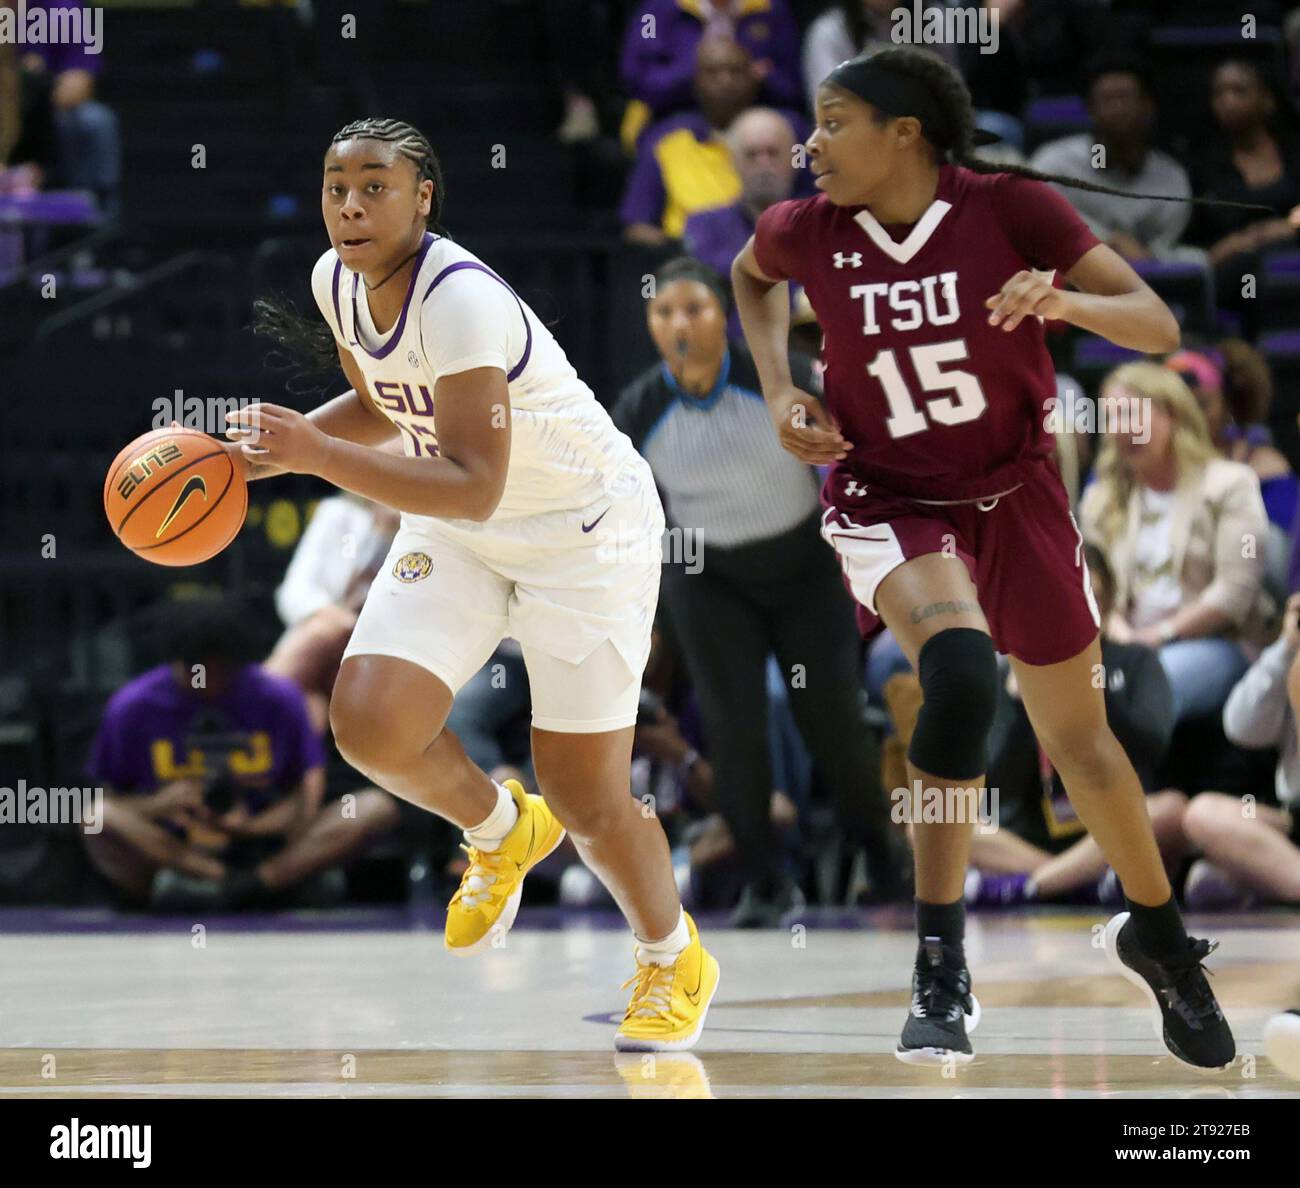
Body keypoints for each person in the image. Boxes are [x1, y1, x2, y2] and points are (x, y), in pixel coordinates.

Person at [731, 47, 1234, 1069]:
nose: (810, 144)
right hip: (889, 497)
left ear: (903, 133)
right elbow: (750, 276)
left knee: (1082, 745)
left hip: (1016, 494)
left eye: (832, 122)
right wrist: (780, 389)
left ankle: (1160, 938)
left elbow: (1155, 321)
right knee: (959, 676)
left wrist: (1064, 302)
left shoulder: (1011, 209)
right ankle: (940, 962)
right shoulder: (805, 228)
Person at [231, 118, 718, 1052]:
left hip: (581, 533)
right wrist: (285, 448)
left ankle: (672, 958)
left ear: (424, 199)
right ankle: (500, 829)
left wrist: (316, 454)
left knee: (587, 797)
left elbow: (474, 479)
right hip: (460, 524)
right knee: (370, 724)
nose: (350, 206)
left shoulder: (459, 298)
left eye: (375, 187)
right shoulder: (337, 280)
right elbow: (387, 404)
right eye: (336, 187)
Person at [614, 257, 909, 925]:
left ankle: (883, 859)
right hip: (709, 582)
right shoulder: (637, 410)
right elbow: (617, 508)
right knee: (733, 730)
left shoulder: (778, 380)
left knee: (833, 724)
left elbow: (856, 452)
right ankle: (766, 883)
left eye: (695, 309)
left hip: (806, 573)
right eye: (664, 312)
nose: (679, 324)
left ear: (725, 315)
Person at [82, 597, 399, 911]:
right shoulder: (133, 707)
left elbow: (306, 798)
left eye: (224, 671)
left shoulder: (279, 698)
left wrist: (253, 825)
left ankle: (256, 883)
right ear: (176, 660)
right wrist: (159, 805)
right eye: (198, 671)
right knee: (96, 817)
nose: (210, 682)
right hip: (175, 847)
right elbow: (111, 799)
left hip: (269, 847)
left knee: (373, 809)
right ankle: (211, 879)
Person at [965, 544, 1184, 908]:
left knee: (1171, 810)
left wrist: (1092, 687)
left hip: (1116, 827)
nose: (1075, 612)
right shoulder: (1016, 670)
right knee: (930, 818)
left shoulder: (1136, 661)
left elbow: (1152, 747)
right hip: (1035, 835)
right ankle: (1076, 883)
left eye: (1090, 598)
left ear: (1109, 603)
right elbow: (998, 784)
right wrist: (1021, 706)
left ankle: (1032, 886)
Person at [1081, 362, 1274, 726]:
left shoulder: (1230, 484)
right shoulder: (1100, 498)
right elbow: (1090, 585)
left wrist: (1157, 636)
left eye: (1130, 414)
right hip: (1123, 642)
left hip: (1218, 643)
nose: (1119, 429)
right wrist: (1120, 631)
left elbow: (1235, 591)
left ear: (1172, 415)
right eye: (1110, 418)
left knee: (1143, 684)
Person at [621, 36, 805, 246]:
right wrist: (684, 251)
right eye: (712, 72)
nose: (725, 81)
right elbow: (637, 224)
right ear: (695, 81)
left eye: (735, 71)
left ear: (754, 76)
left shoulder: (790, 133)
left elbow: (818, 200)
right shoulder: (663, 139)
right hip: (687, 257)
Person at [1180, 591, 1300, 909]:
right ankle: (1276, 881)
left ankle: (1258, 881)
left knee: (1212, 874)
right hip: (1293, 818)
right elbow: (1241, 728)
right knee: (1203, 813)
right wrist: (1285, 648)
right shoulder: (1291, 659)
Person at [1028, 52, 1194, 263]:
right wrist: (1106, 240)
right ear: (1091, 109)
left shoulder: (1172, 179)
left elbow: (1161, 255)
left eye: (1125, 98)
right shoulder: (1056, 164)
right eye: (1107, 99)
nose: (1117, 109)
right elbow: (1034, 213)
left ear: (1148, 105)